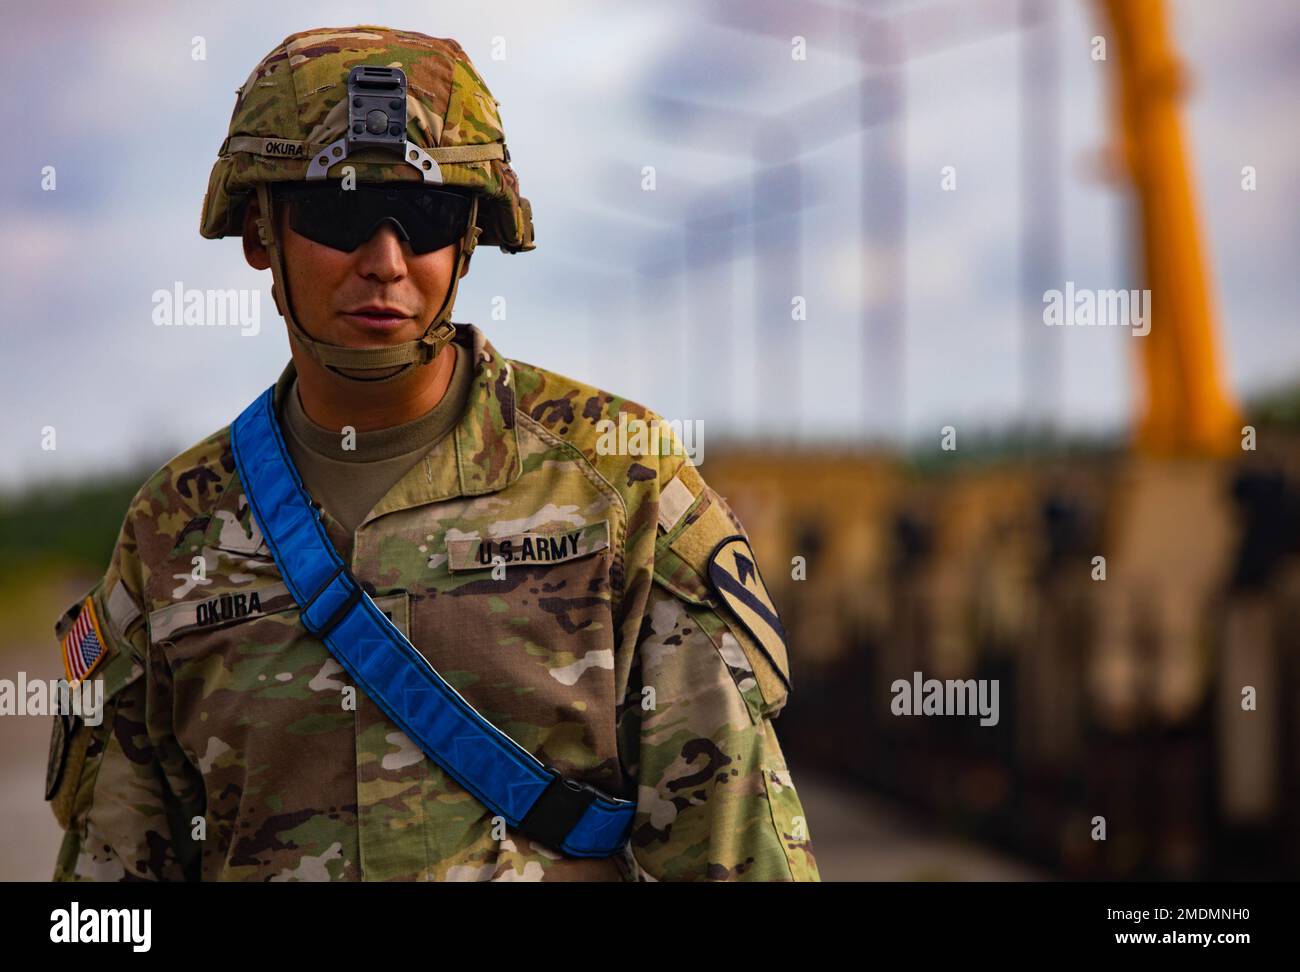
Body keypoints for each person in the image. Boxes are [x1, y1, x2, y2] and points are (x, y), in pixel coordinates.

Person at [45, 25, 819, 882]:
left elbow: (734, 850)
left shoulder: (621, 485)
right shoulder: (173, 529)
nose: (385, 263)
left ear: (470, 238)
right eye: (339, 213)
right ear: (260, 232)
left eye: (425, 217)